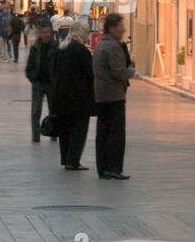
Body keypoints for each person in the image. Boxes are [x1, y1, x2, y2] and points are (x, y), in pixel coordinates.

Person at [93, 13, 136, 179]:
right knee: (116, 133)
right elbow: (119, 72)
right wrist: (131, 70)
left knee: (103, 131)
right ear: (112, 28)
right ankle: (113, 167)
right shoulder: (113, 47)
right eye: (120, 26)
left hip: (102, 95)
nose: (123, 29)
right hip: (114, 95)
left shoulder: (101, 45)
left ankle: (103, 168)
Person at [52, 20, 95, 170]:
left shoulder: (62, 49)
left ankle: (66, 159)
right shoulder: (82, 51)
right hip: (78, 98)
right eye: (87, 32)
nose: (88, 35)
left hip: (62, 97)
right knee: (78, 130)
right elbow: (90, 74)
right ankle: (73, 160)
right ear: (81, 33)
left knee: (65, 130)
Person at [25, 20, 59, 143]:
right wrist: (32, 77)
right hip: (38, 83)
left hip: (52, 84)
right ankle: (36, 135)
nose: (47, 35)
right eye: (44, 32)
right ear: (39, 33)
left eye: (49, 32)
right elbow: (29, 66)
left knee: (54, 110)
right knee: (36, 110)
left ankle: (54, 132)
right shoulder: (35, 48)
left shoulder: (56, 47)